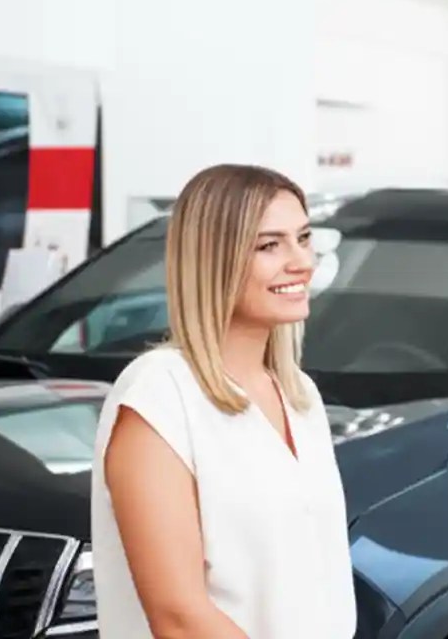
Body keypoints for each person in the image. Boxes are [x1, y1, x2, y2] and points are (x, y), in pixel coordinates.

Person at [91, 165, 356, 638]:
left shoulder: (298, 395)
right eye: (269, 245)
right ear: (214, 259)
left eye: (303, 237)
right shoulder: (160, 395)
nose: (301, 262)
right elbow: (179, 619)